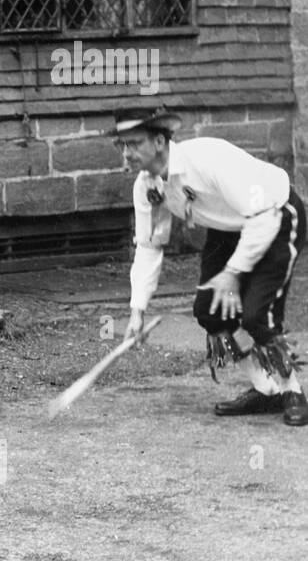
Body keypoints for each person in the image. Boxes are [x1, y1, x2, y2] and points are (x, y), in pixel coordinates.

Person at [110, 106, 308, 426]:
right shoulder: (147, 187)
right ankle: (266, 388)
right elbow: (149, 246)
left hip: (275, 216)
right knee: (211, 311)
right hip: (229, 229)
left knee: (257, 315)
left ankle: (292, 391)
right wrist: (137, 310)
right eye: (121, 146)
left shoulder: (207, 158)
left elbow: (262, 216)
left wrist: (232, 273)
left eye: (134, 144)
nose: (126, 154)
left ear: (159, 141)